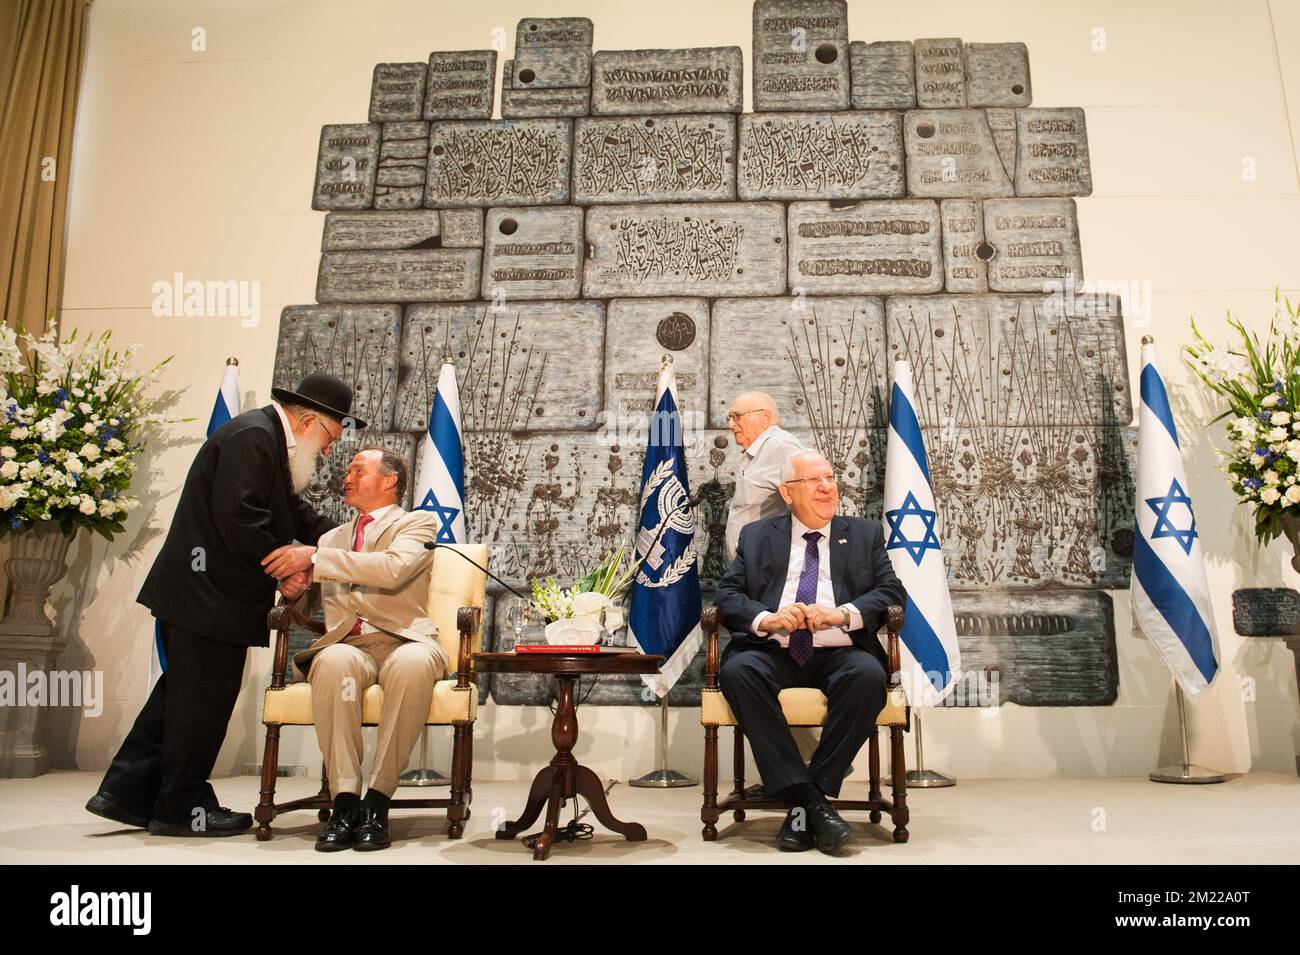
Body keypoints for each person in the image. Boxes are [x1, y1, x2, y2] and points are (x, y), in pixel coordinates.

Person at [85, 373, 358, 837]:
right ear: (309, 420)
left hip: (206, 597)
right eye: (331, 438)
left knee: (179, 700)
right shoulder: (254, 438)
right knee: (201, 709)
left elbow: (291, 514)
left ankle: (126, 793)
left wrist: (351, 541)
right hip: (208, 599)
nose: (330, 451)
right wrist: (288, 569)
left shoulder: (265, 440)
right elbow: (241, 518)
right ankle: (179, 809)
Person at [714, 448, 905, 855]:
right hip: (774, 651)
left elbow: (891, 593)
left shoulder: (865, 534)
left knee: (869, 676)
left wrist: (842, 614)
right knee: (738, 671)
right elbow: (726, 596)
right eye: (814, 480)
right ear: (787, 491)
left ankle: (804, 804)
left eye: (831, 478)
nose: (826, 487)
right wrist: (768, 618)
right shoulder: (758, 535)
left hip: (838, 651)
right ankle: (813, 803)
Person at [262, 448, 444, 852]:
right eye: (347, 470)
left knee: (413, 664)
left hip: (406, 639)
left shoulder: (416, 523)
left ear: (389, 480)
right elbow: (317, 604)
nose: (346, 476)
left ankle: (378, 800)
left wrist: (314, 556)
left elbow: (393, 569)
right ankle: (345, 800)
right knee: (331, 662)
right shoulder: (331, 538)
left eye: (358, 470)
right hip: (349, 642)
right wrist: (295, 594)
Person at [724, 391, 802, 560]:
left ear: (765, 418)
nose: (731, 424)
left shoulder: (780, 447)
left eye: (737, 416)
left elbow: (804, 504)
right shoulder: (762, 449)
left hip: (767, 564)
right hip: (754, 564)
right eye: (729, 418)